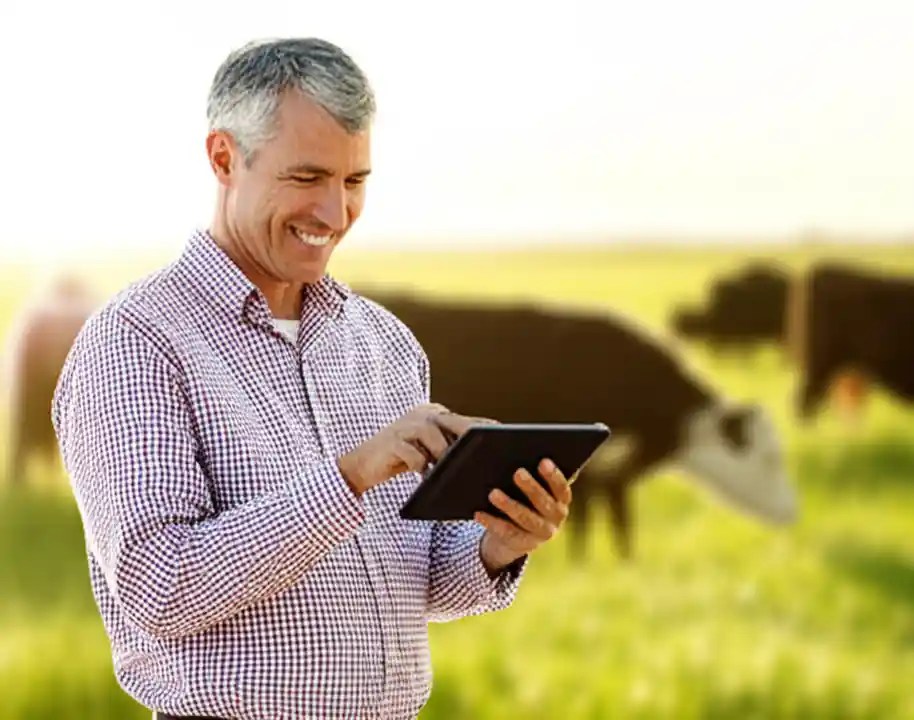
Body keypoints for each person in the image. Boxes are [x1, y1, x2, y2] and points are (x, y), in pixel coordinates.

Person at [52, 37, 573, 720]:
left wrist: (497, 545)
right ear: (223, 158)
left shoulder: (384, 343)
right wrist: (351, 475)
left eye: (354, 182)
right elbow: (161, 586)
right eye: (307, 178)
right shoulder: (136, 342)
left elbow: (407, 577)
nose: (335, 214)